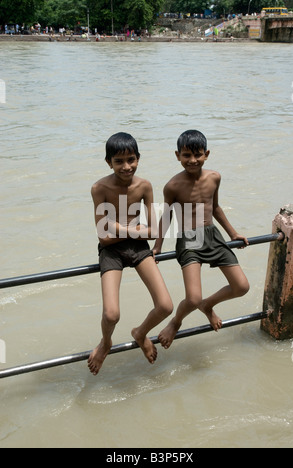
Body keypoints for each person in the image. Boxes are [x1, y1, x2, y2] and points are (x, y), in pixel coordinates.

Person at [153, 129, 250, 349]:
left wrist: (233, 234)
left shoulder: (214, 177)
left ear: (206, 154)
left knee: (241, 286)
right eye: (186, 155)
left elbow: (215, 207)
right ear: (177, 156)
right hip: (189, 239)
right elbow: (166, 216)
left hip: (212, 235)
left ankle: (209, 305)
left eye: (197, 155)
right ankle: (176, 322)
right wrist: (157, 246)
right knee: (192, 298)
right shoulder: (173, 186)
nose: (193, 160)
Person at [88, 132, 173, 375]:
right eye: (119, 161)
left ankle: (140, 332)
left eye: (131, 159)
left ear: (138, 158)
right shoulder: (99, 188)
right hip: (110, 251)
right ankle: (106, 342)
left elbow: (153, 230)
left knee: (166, 306)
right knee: (111, 314)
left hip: (138, 250)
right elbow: (103, 237)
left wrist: (117, 228)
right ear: (108, 162)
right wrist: (132, 229)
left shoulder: (144, 186)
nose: (126, 167)